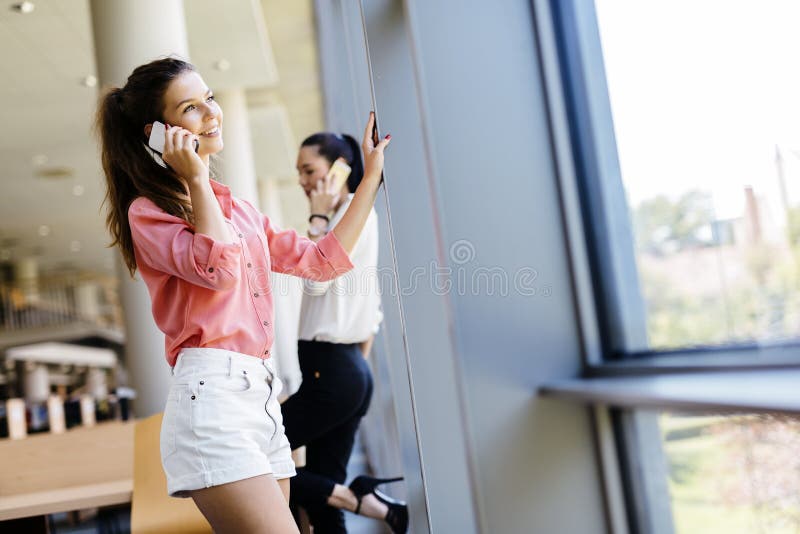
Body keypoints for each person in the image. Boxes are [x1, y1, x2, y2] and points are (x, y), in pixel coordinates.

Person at [96, 57, 390, 533]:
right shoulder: (148, 213)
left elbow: (321, 262)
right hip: (211, 400)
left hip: (259, 395)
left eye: (209, 97)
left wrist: (370, 179)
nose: (212, 113)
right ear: (159, 133)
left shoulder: (236, 207)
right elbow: (219, 267)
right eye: (191, 108)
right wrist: (193, 178)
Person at [280, 132, 407, 533]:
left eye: (310, 170)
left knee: (254, 458)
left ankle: (359, 499)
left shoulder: (344, 217)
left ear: (340, 171)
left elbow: (315, 279)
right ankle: (359, 497)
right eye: (299, 172)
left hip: (335, 372)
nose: (303, 181)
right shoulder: (359, 215)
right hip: (347, 369)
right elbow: (373, 315)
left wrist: (317, 217)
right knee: (321, 508)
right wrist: (352, 376)